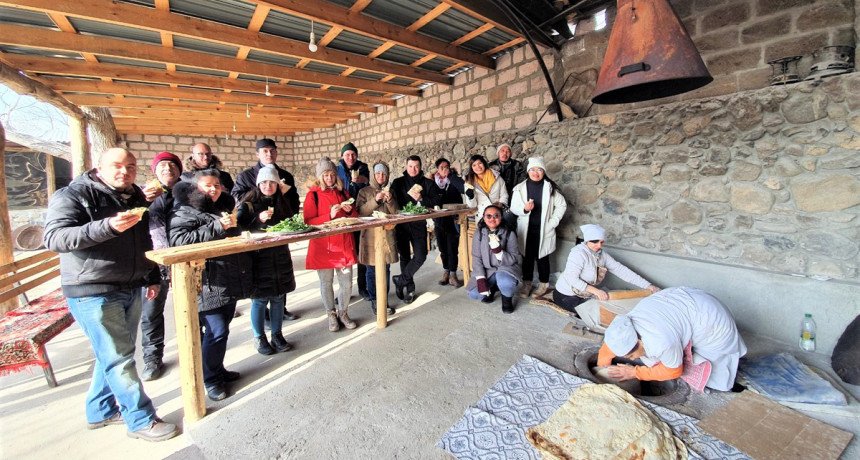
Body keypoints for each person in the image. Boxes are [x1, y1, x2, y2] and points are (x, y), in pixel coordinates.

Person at [43, 147, 178, 441]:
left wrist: (151, 275)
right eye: (117, 166)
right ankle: (140, 419)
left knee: (114, 354)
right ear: (99, 167)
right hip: (92, 290)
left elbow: (143, 239)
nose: (124, 171)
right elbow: (54, 238)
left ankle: (100, 411)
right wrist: (105, 227)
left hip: (130, 285)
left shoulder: (135, 197)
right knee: (120, 359)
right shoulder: (73, 195)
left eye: (130, 166)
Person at [169, 171, 253, 401]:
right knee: (215, 331)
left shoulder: (222, 207)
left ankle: (217, 370)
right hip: (204, 280)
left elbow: (227, 237)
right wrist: (218, 226)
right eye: (208, 185)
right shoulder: (184, 210)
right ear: (196, 188)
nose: (214, 189)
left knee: (222, 328)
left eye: (217, 184)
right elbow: (178, 241)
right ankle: (211, 380)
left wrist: (234, 227)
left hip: (226, 276)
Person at [598, 287, 748, 392]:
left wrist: (635, 372)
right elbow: (610, 346)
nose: (629, 358)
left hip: (712, 322)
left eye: (630, 355)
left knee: (714, 367)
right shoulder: (625, 328)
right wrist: (602, 369)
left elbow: (673, 371)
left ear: (639, 341)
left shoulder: (661, 342)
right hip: (687, 302)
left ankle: (728, 384)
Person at [237, 165, 298, 355]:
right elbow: (238, 229)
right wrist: (258, 219)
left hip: (280, 256)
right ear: (258, 184)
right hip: (258, 260)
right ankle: (260, 337)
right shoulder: (247, 204)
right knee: (260, 300)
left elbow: (292, 223)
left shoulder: (282, 203)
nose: (268, 186)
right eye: (264, 182)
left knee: (279, 298)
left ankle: (277, 335)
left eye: (272, 182)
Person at [139, 151, 183, 381]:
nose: (168, 169)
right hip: (154, 263)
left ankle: (195, 347)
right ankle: (152, 358)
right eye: (163, 166)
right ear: (154, 171)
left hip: (184, 259)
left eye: (173, 166)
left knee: (195, 308)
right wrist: (143, 201)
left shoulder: (187, 192)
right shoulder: (143, 194)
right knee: (152, 312)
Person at [303, 158, 359, 332]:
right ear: (320, 176)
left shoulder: (343, 193)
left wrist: (351, 211)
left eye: (332, 174)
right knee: (326, 283)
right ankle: (331, 314)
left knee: (347, 283)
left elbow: (355, 216)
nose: (329, 178)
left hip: (343, 244)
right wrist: (329, 215)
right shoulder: (313, 194)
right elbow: (308, 221)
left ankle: (343, 312)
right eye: (326, 175)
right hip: (323, 247)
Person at [554, 224, 659, 312]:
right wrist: (596, 291)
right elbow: (571, 278)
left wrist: (647, 285)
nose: (599, 245)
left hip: (584, 294)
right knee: (597, 314)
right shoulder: (578, 253)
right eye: (595, 241)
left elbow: (621, 270)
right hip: (566, 295)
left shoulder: (601, 255)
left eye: (601, 242)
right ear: (587, 240)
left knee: (612, 308)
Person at [509, 157, 567, 299]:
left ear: (543, 172)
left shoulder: (550, 188)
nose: (536, 172)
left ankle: (543, 285)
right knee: (527, 258)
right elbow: (513, 208)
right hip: (526, 230)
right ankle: (527, 283)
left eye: (539, 169)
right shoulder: (519, 189)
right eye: (533, 169)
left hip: (544, 229)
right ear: (528, 171)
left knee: (543, 258)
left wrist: (552, 223)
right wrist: (524, 208)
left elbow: (562, 205)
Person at [390, 155, 440, 303]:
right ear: (406, 166)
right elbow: (392, 201)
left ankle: (400, 280)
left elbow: (437, 201)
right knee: (405, 257)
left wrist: (421, 200)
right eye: (411, 166)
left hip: (418, 225)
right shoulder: (398, 183)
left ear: (420, 167)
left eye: (416, 166)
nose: (413, 169)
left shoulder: (427, 183)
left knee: (421, 255)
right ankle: (409, 289)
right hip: (401, 226)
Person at [356, 161, 399, 315]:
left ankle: (384, 300)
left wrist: (390, 200)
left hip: (386, 236)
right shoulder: (364, 191)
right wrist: (376, 200)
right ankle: (375, 300)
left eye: (384, 174)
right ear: (373, 175)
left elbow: (396, 213)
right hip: (370, 237)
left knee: (386, 269)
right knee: (371, 270)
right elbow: (360, 212)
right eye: (378, 173)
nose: (381, 176)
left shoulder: (391, 191)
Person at [466, 204, 522, 313]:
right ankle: (491, 289)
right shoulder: (479, 234)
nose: (492, 219)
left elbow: (514, 257)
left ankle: (506, 299)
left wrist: (499, 252)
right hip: (488, 270)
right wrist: (481, 278)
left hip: (505, 268)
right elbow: (476, 257)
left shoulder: (509, 233)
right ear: (483, 217)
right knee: (474, 293)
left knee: (505, 282)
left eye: (496, 216)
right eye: (489, 216)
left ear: (501, 217)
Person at [336, 142, 371, 300]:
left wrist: (358, 179)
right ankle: (344, 291)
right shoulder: (337, 169)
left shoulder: (363, 167)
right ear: (342, 156)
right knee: (344, 255)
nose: (350, 157)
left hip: (359, 212)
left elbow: (367, 181)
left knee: (361, 251)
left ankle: (363, 287)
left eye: (353, 154)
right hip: (342, 214)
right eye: (347, 154)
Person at [231, 138, 300, 213]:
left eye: (272, 150)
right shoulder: (245, 176)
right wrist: (259, 192)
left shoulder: (286, 175)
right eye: (265, 151)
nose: (269, 154)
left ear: (276, 153)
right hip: (254, 218)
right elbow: (236, 198)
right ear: (257, 154)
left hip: (281, 219)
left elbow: (294, 200)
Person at [430, 157, 466, 287]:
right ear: (437, 170)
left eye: (447, 167)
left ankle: (453, 274)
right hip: (439, 221)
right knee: (443, 248)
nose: (444, 169)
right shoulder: (433, 182)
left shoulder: (454, 180)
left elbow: (463, 188)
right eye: (442, 167)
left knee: (452, 247)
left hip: (453, 220)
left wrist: (450, 175)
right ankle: (446, 271)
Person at [464, 154, 508, 219]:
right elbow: (472, 206)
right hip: (482, 215)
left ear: (484, 163)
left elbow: (504, 195)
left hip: (498, 213)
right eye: (474, 165)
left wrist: (500, 204)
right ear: (472, 168)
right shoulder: (469, 182)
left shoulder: (496, 177)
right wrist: (471, 197)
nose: (478, 167)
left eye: (480, 163)